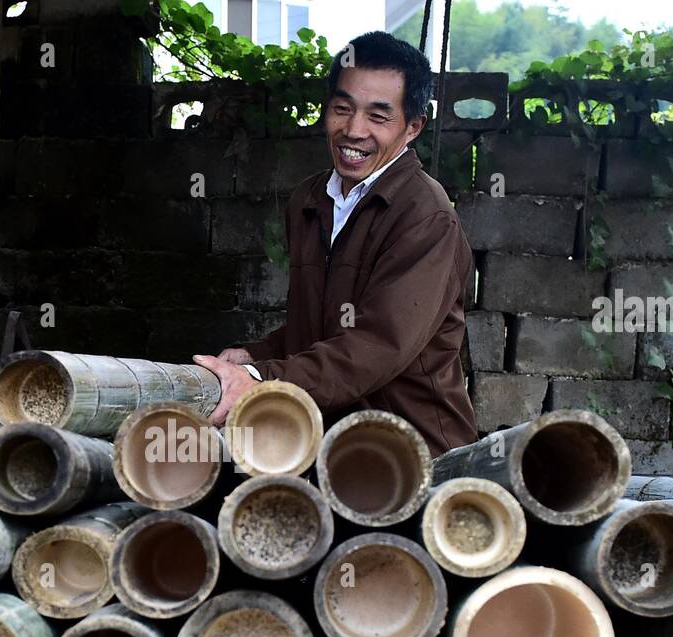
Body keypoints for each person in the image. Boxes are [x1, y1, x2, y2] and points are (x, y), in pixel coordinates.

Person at [193, 31, 477, 457]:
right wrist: (254, 355)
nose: (353, 130)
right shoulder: (309, 201)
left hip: (415, 452)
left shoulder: (426, 216)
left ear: (413, 127)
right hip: (328, 444)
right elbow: (321, 326)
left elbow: (377, 344)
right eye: (342, 109)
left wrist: (262, 379)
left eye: (378, 116)